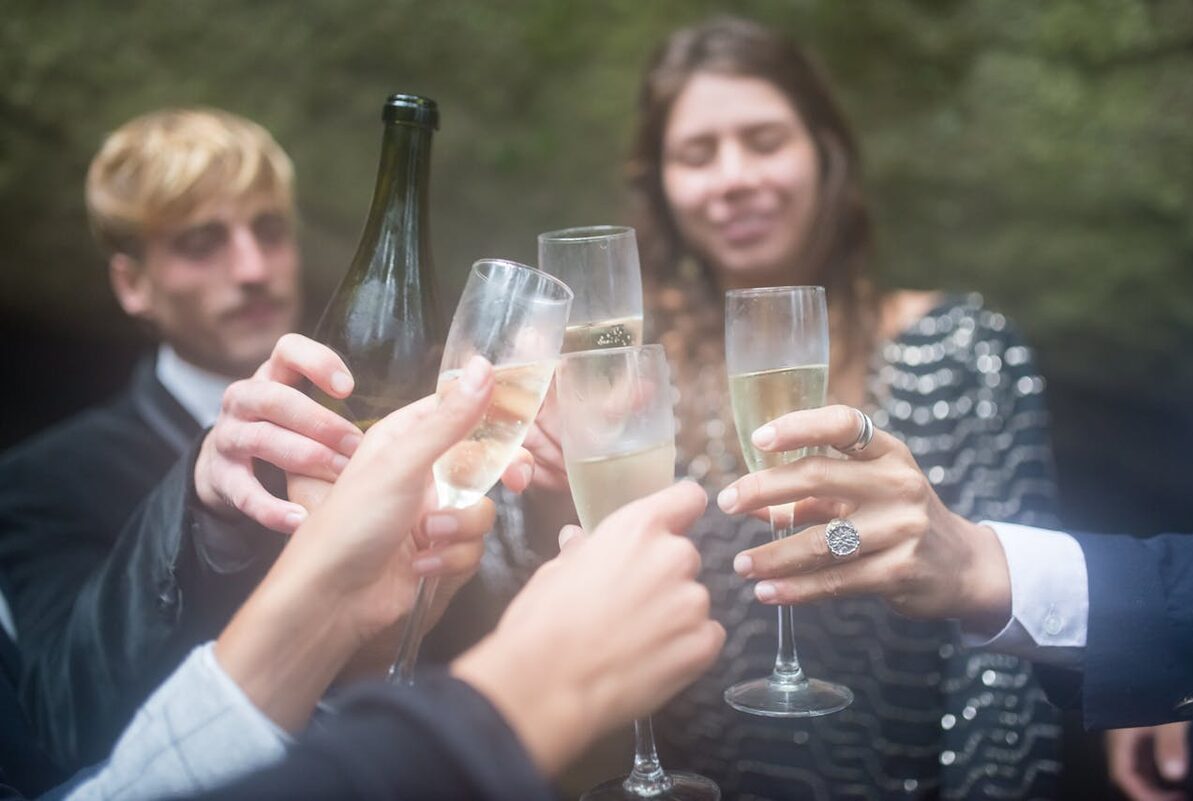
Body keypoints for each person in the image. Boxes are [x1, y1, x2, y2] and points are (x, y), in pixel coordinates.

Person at [440, 16, 1063, 800]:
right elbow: (522, 606)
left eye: (764, 140)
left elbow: (1010, 646)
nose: (732, 177)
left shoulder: (961, 348)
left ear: (826, 153)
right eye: (697, 154)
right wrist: (554, 492)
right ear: (662, 184)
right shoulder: (633, 368)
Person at [1, 359, 724, 800]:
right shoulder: (43, 474)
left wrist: (333, 605)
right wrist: (517, 699)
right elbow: (76, 739)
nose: (251, 266)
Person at [0, 108, 365, 772]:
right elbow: (66, 721)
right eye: (202, 242)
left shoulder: (367, 418)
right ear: (131, 283)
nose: (253, 267)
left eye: (270, 230)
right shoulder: (44, 481)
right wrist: (198, 500)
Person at [713, 402, 1193, 797]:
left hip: (903, 746)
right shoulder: (651, 368)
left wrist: (1145, 655)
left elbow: (995, 693)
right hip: (718, 747)